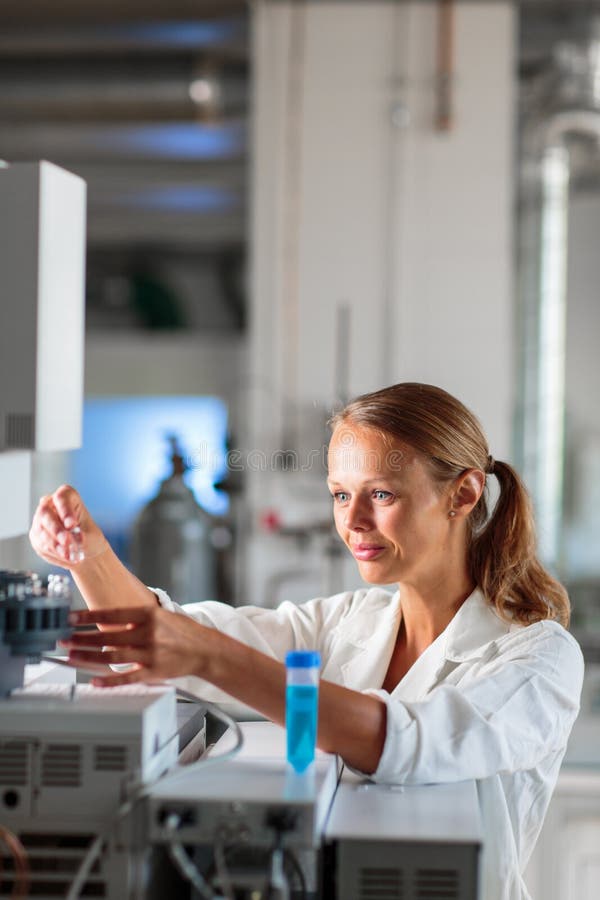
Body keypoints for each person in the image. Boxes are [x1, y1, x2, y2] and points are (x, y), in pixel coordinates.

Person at [29, 382, 583, 900]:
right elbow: (177, 637)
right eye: (341, 496)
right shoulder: (349, 621)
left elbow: (406, 743)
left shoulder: (537, 657)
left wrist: (203, 652)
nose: (354, 522)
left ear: (462, 495)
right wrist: (90, 555)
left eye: (381, 494)